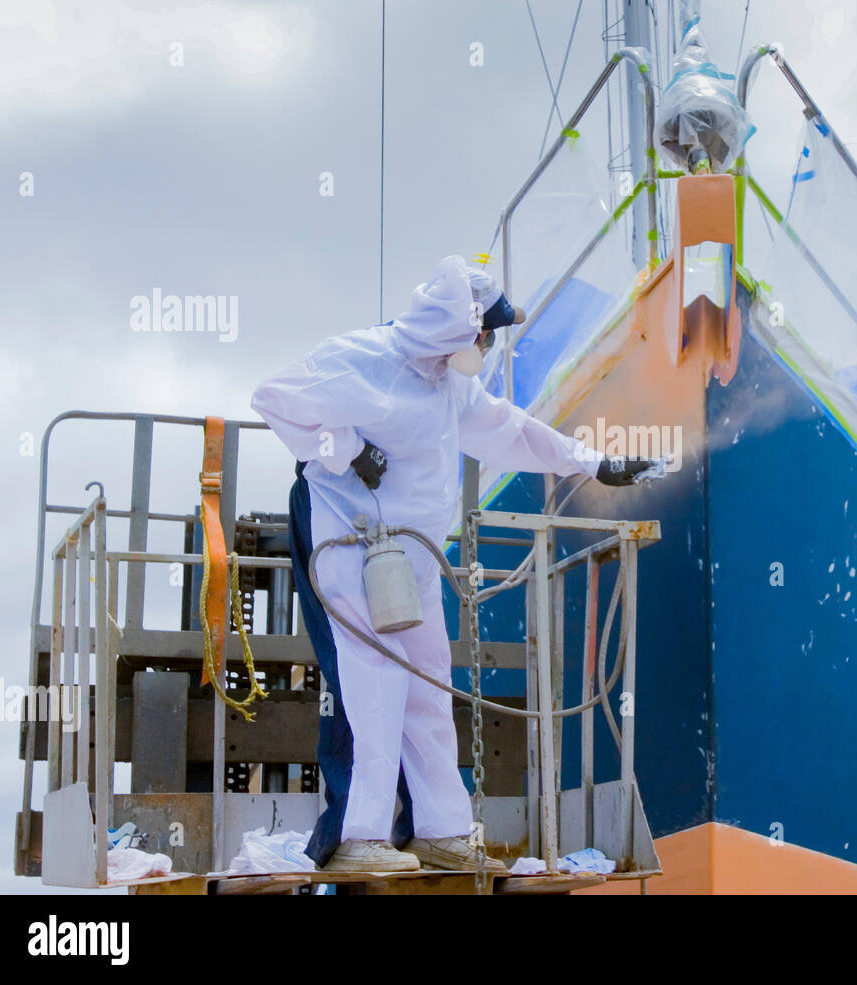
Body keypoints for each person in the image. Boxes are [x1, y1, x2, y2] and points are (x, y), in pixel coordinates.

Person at [251, 255, 654, 873]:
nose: (489, 344)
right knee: (374, 681)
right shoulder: (361, 357)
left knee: (429, 683)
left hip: (405, 558)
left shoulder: (450, 386)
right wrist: (348, 450)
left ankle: (440, 830)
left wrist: (591, 460)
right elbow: (274, 399)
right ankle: (360, 837)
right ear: (454, 329)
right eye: (484, 332)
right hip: (347, 542)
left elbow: (512, 431)